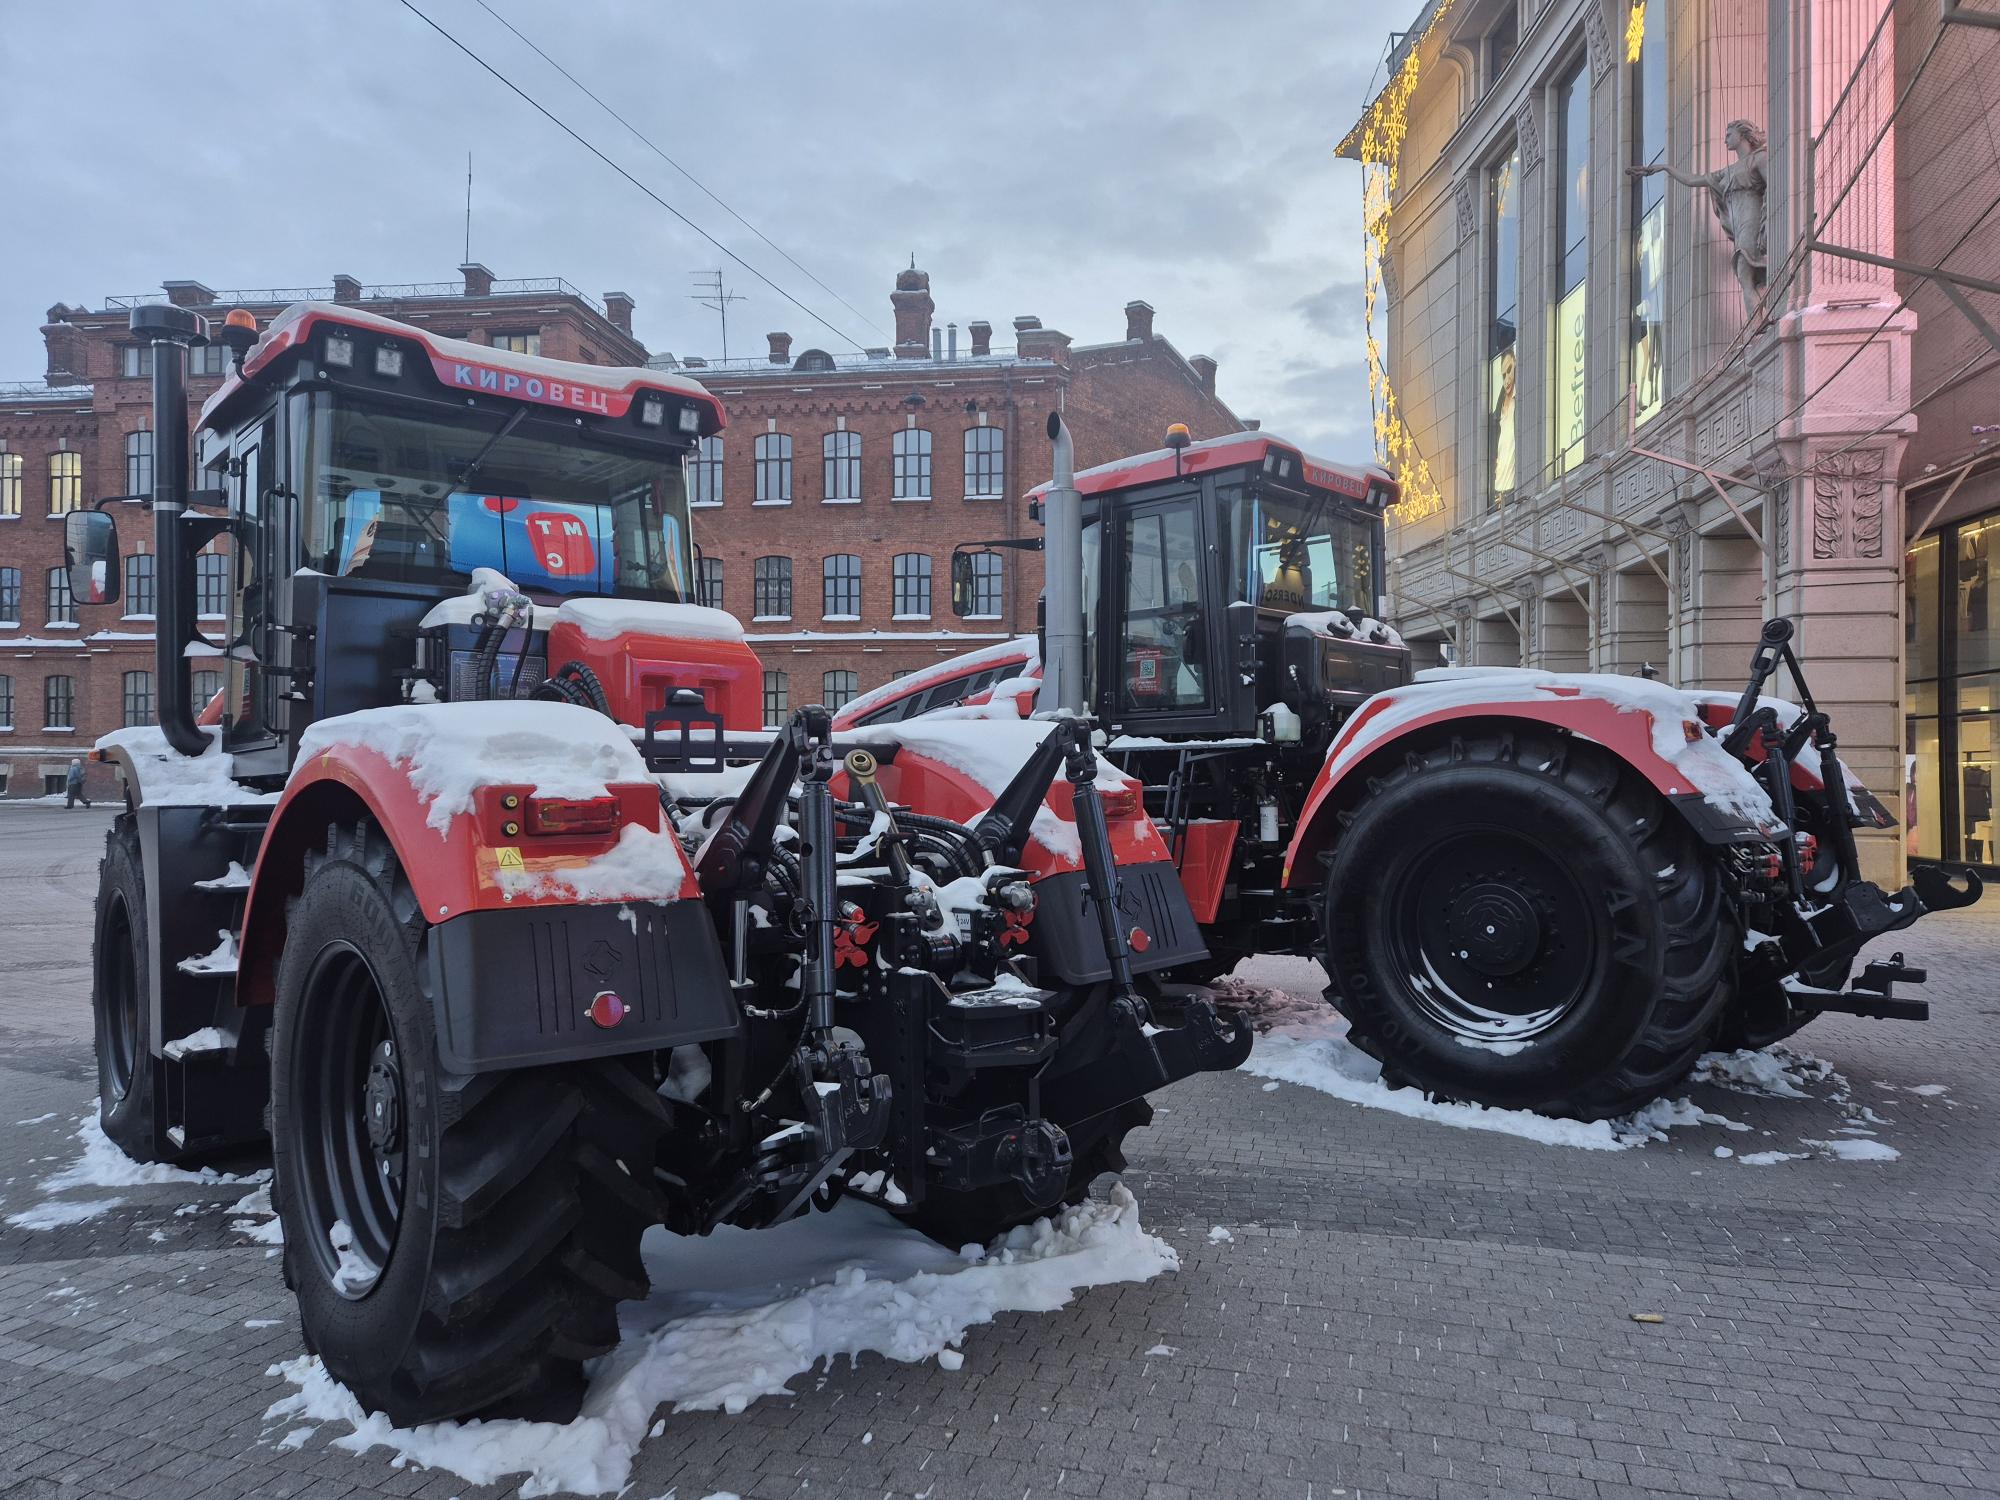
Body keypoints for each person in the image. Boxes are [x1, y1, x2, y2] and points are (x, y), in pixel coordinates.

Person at [1628, 120, 1767, 321]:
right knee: (1745, 274)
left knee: (1746, 271)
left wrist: (1766, 223)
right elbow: (1693, 180)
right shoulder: (1727, 172)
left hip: (1753, 220)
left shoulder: (1759, 159)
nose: (1725, 138)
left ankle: (1758, 323)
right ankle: (1757, 325)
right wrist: (1665, 168)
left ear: (1743, 135)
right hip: (1740, 226)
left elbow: (1774, 185)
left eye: (1729, 134)